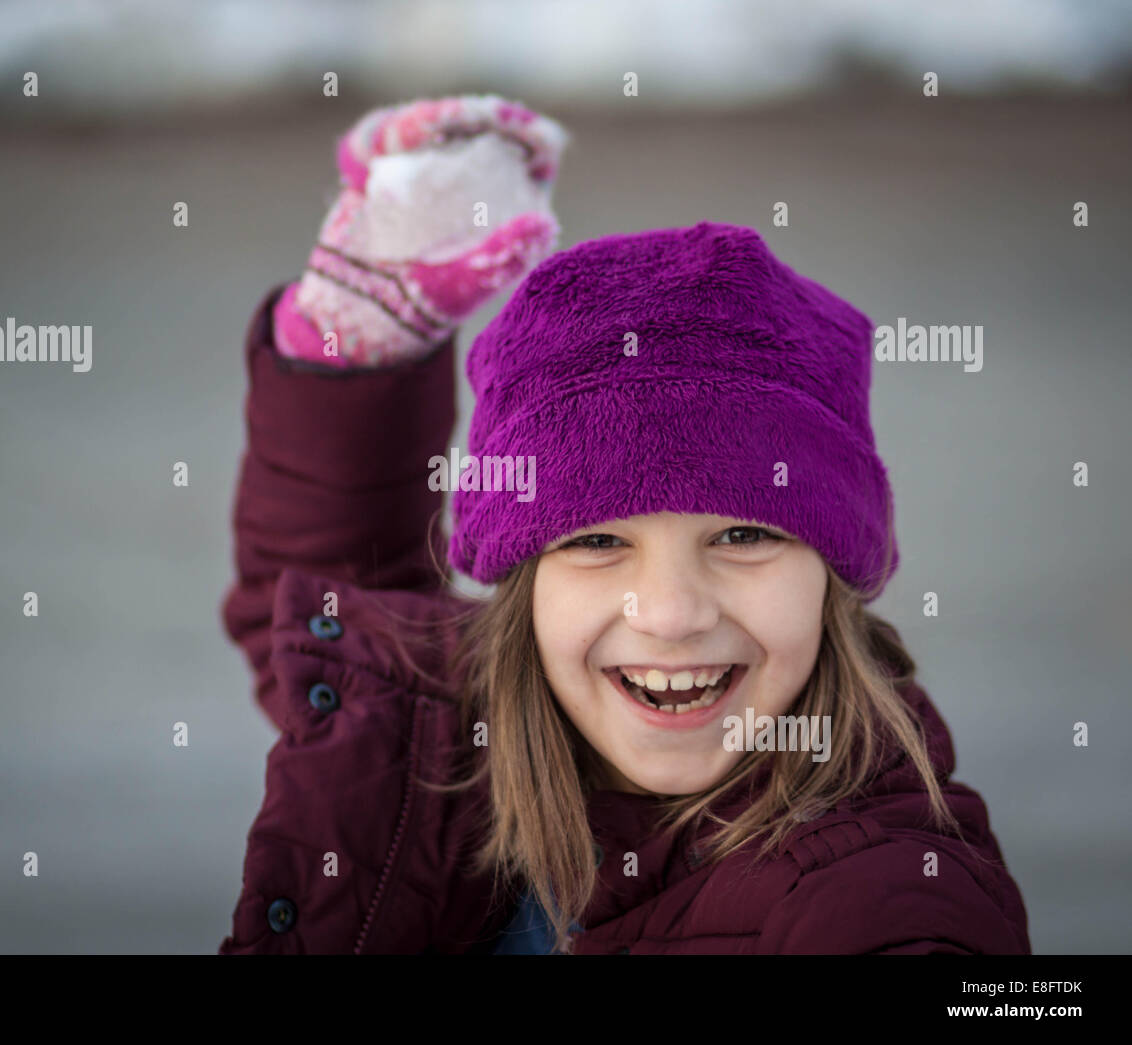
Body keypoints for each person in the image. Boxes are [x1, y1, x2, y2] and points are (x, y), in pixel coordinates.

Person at [217, 95, 1030, 955]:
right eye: (599, 541)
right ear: (524, 585)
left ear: (834, 572)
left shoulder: (877, 891)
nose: (672, 613)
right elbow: (338, 630)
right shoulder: (451, 741)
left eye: (743, 536)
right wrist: (356, 343)